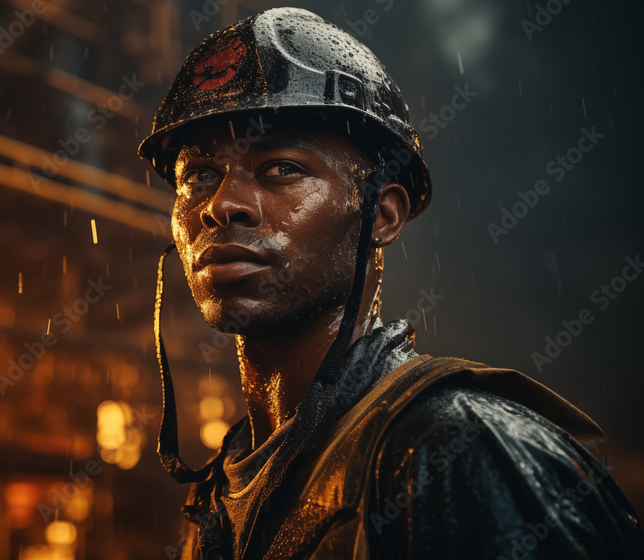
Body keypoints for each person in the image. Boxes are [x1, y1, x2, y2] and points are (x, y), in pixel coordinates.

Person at [137, 7, 643, 559]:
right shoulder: (220, 494)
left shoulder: (459, 451)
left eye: (281, 167)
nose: (222, 204)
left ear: (382, 215)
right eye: (200, 176)